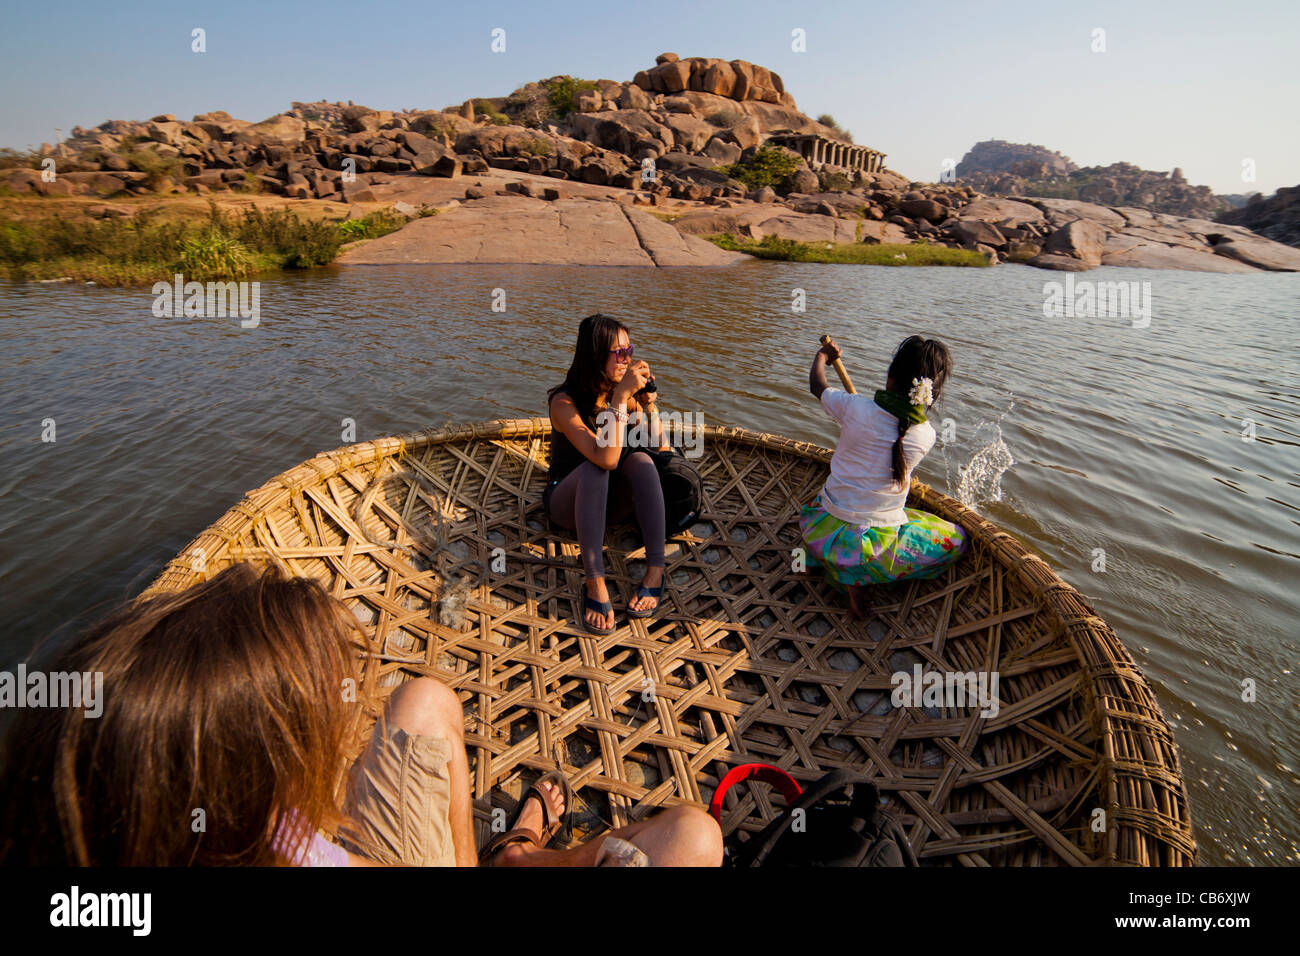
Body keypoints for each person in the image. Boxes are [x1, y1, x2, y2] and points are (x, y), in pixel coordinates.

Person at [0, 563, 723, 868]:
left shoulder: (263, 831)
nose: (343, 736)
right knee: (692, 839)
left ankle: (511, 851)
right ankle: (523, 844)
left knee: (424, 700)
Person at [801, 335, 968, 618]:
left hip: (819, 523)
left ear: (890, 375)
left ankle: (822, 560)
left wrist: (822, 355)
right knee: (958, 539)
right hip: (871, 543)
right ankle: (856, 571)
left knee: (844, 516)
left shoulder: (853, 407)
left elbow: (817, 384)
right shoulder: (926, 436)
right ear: (930, 394)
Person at [545, 314, 672, 634]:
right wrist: (619, 399)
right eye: (619, 354)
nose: (626, 361)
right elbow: (606, 459)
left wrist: (648, 406)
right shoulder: (564, 403)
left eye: (629, 351)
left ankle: (656, 570)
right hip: (568, 503)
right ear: (594, 356)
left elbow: (663, 451)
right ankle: (595, 581)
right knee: (595, 470)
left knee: (642, 461)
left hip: (612, 504)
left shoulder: (624, 397)